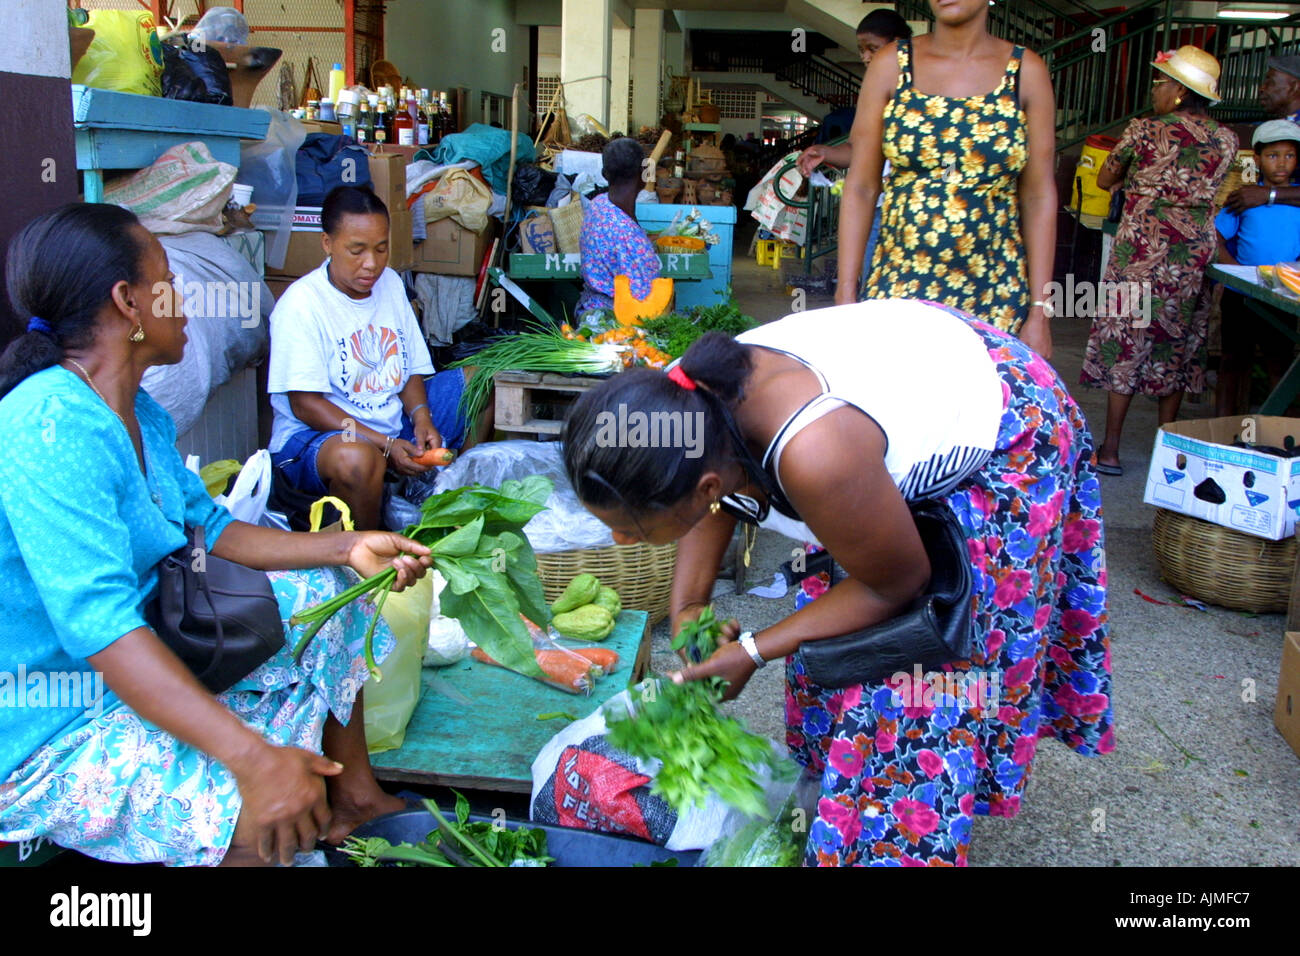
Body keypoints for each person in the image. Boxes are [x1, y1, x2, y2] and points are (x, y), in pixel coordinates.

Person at [562, 299, 1113, 867]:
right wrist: (688, 613)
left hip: (999, 415)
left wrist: (752, 651)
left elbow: (896, 584)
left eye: (625, 526)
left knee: (921, 666)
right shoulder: (675, 405)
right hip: (891, 395)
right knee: (836, 627)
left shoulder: (814, 453)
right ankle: (845, 799)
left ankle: (899, 833)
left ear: (699, 488)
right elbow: (722, 490)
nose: (619, 542)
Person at [0, 203, 430, 866]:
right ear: (128, 303)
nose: (187, 298)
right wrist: (251, 759)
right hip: (54, 716)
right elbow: (102, 627)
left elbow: (208, 527)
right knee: (262, 819)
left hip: (153, 650)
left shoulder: (137, 406)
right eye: (170, 280)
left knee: (334, 593)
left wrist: (346, 547)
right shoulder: (48, 425)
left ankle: (357, 799)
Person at [836, 0, 1057, 360]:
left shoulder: (1025, 70)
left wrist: (1039, 311)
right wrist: (845, 294)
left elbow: (1039, 196)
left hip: (996, 297)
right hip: (900, 291)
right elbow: (861, 187)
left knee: (986, 412)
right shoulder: (890, 65)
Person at [268, 185, 484, 531]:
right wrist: (384, 446)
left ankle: (447, 498)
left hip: (391, 428)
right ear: (327, 244)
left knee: (480, 380)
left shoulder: (391, 285)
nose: (372, 264)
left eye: (381, 249)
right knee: (358, 459)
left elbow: (411, 368)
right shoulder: (301, 305)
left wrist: (422, 419)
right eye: (357, 251)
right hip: (318, 439)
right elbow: (306, 406)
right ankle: (374, 557)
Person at [1081, 46, 1238, 475]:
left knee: (1127, 338)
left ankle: (1110, 450)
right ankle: (1166, 450)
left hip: (1142, 248)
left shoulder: (1144, 130)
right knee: (1179, 342)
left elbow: (1105, 176)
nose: (1156, 90)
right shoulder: (1227, 139)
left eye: (1161, 82)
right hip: (1191, 254)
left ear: (1181, 92)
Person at [796, 10, 913, 291]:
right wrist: (825, 152)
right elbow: (862, 151)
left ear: (899, 44)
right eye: (861, 50)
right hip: (878, 211)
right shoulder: (876, 90)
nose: (865, 57)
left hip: (915, 215)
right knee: (873, 295)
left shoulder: (926, 90)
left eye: (872, 48)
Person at [1214, 119, 1300, 415]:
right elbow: (1215, 238)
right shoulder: (1245, 198)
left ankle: (1279, 435)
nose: (1281, 164)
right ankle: (1223, 430)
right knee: (1232, 362)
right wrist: (1236, 273)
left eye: (1289, 155)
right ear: (1258, 159)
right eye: (1273, 156)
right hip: (1243, 293)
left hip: (1284, 294)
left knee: (1280, 362)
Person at [576, 137, 662, 318]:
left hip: (591, 307)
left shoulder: (597, 205)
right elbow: (648, 304)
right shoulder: (627, 234)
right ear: (643, 173)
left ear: (605, 174)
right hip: (616, 321)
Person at [1223, 55, 1300, 215]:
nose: (1262, 88)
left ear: (1294, 87)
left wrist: (1268, 194)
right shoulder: (1274, 126)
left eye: (1270, 82)